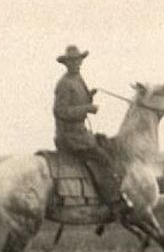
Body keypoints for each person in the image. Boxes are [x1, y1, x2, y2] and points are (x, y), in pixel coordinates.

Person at [52, 45, 132, 216]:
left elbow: (75, 103)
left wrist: (90, 95)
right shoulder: (64, 84)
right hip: (70, 136)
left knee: (108, 150)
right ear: (66, 64)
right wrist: (87, 108)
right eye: (73, 61)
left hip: (80, 134)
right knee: (103, 159)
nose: (77, 63)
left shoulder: (77, 79)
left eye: (79, 60)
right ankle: (112, 201)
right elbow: (60, 111)